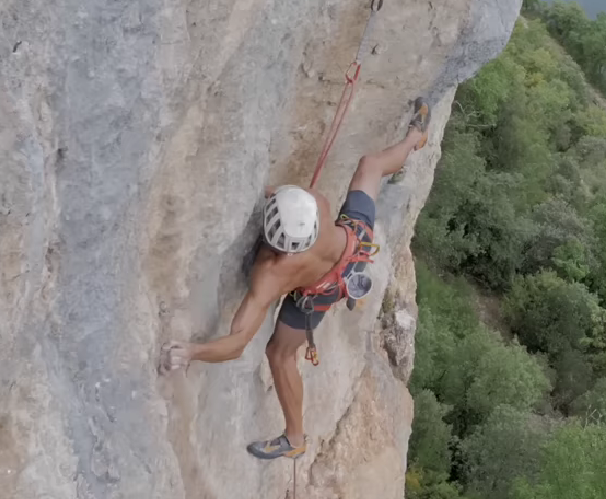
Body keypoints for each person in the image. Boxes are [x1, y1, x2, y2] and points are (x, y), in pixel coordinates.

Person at [159, 98, 430, 460]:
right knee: (371, 166)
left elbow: (238, 343)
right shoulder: (314, 204)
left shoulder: (271, 275)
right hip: (353, 244)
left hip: (320, 290)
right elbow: (285, 201)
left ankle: (295, 438)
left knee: (280, 354)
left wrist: (193, 352)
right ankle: (415, 138)